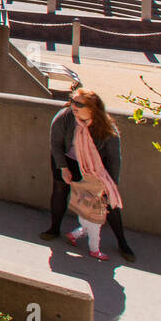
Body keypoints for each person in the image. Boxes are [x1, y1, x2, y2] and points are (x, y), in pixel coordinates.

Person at [41, 88, 135, 262]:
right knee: (60, 191)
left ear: (92, 109)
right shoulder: (65, 117)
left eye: (78, 104)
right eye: (72, 101)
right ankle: (54, 228)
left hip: (94, 167)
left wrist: (111, 184)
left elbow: (115, 158)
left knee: (107, 202)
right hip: (67, 161)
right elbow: (55, 144)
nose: (73, 106)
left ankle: (122, 243)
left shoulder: (107, 127)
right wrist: (63, 168)